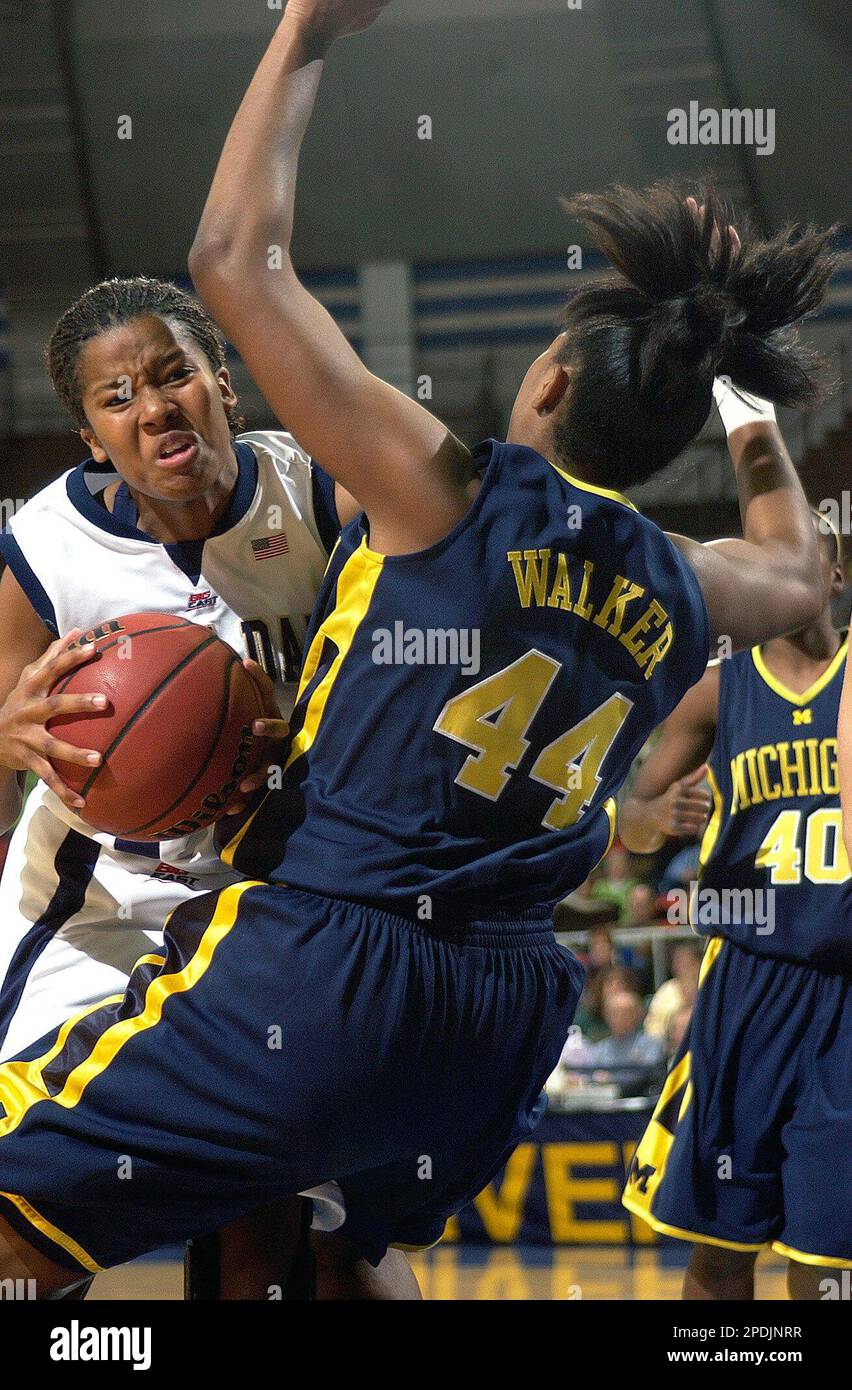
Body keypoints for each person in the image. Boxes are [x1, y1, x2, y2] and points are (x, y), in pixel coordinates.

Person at [0, 0, 838, 1295]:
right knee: (332, 1257)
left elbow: (233, 262)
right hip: (502, 1014)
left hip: (333, 961)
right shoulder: (688, 582)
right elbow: (800, 568)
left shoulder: (454, 487)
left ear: (547, 385)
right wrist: (740, 401)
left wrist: (305, 33)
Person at [0, 276, 416, 1299]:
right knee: (31, 1219)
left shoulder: (322, 488)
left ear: (225, 384)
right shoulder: (44, 552)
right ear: (93, 437)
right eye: (116, 396)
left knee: (284, 1240)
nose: (153, 405)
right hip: (98, 905)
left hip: (266, 906)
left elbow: (450, 544)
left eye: (174, 372)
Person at [620, 512, 852, 1298]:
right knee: (718, 1249)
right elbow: (631, 818)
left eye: (801, 556)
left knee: (828, 1264)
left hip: (845, 988)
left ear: (834, 576)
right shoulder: (718, 689)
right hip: (746, 988)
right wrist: (659, 816)